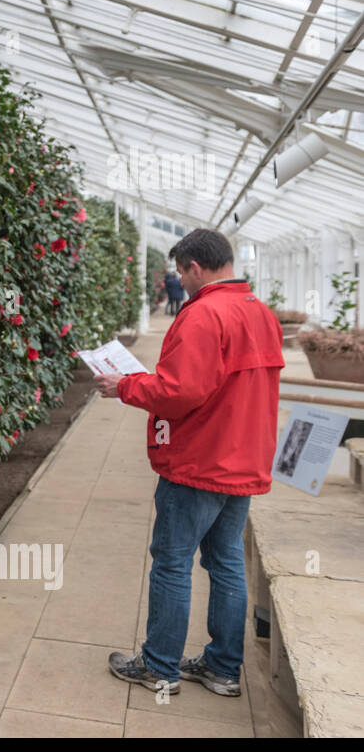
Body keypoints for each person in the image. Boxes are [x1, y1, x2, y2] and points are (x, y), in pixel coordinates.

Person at [93, 229, 284, 698]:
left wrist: (124, 386)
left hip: (201, 461)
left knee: (173, 563)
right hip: (242, 461)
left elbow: (180, 392)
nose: (181, 280)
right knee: (226, 562)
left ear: (196, 267)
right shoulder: (261, 313)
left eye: (181, 272)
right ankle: (222, 669)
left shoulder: (203, 314)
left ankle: (159, 667)